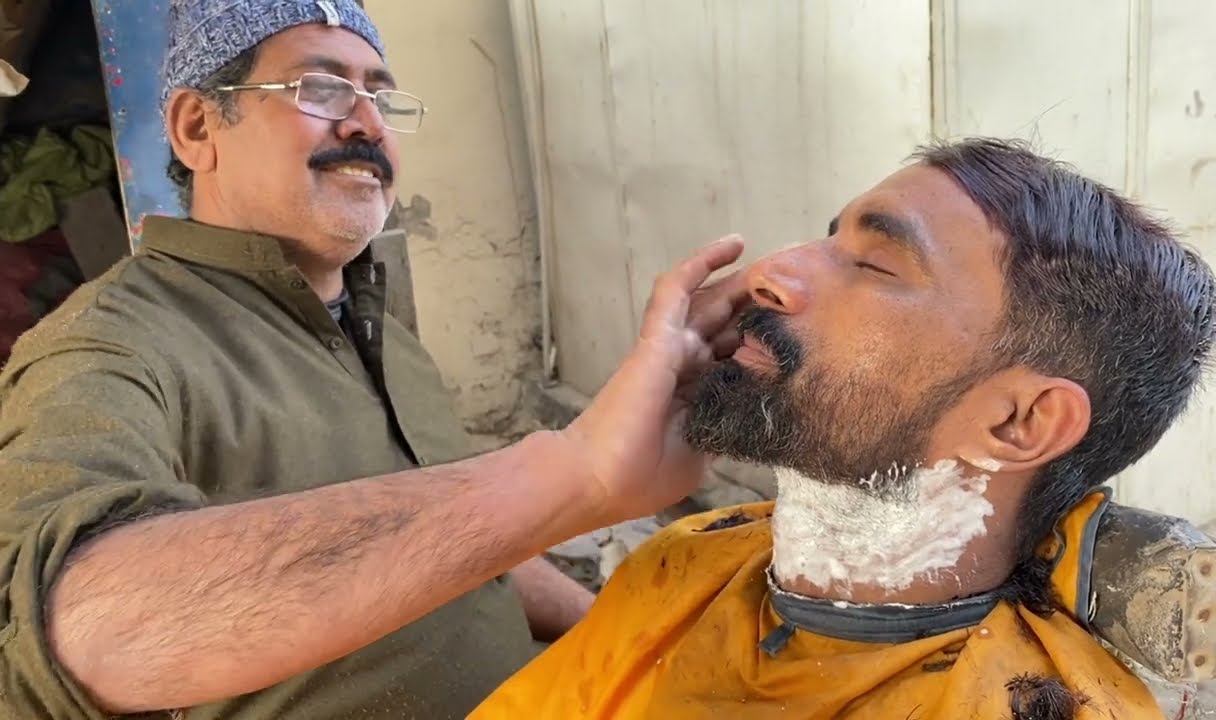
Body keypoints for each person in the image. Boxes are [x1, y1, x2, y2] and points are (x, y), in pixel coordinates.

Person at [0, 2, 749, 718]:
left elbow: (456, 538)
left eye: (382, 98)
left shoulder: (379, 331)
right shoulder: (110, 345)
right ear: (198, 127)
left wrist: (610, 633)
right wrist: (571, 471)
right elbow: (80, 622)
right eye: (321, 88)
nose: (367, 124)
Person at [469, 138, 1216, 720]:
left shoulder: (1032, 704)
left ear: (1017, 422)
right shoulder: (685, 560)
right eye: (829, 237)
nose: (769, 272)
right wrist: (579, 476)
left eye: (876, 266)